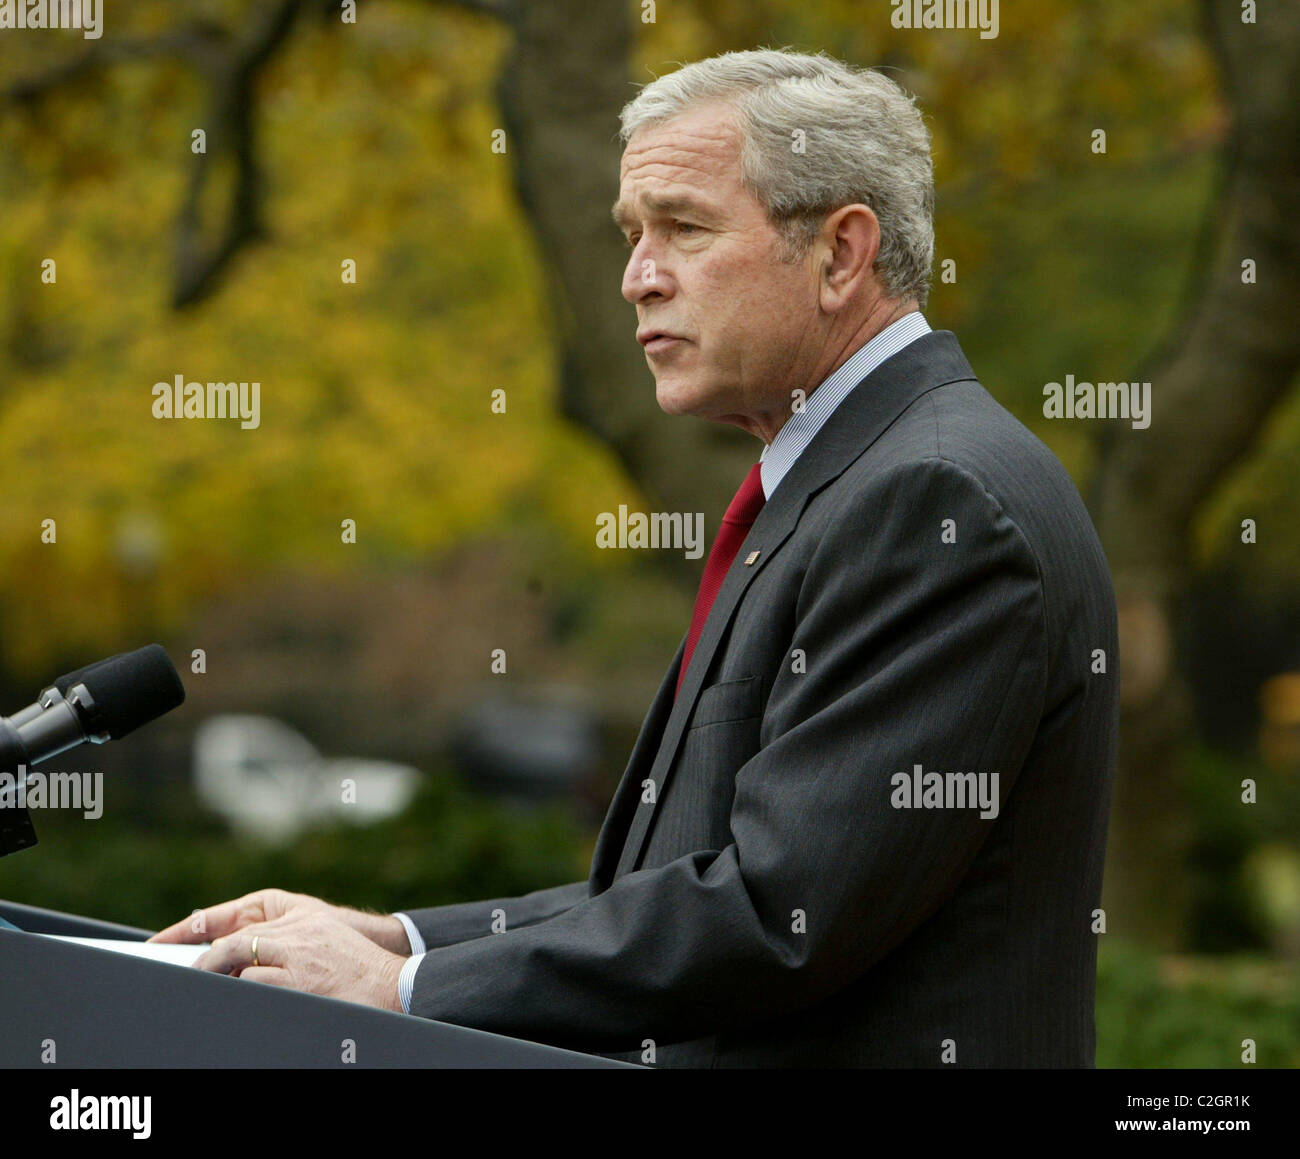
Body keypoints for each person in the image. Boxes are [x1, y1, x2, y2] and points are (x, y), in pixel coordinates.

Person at [153, 48, 1119, 1068]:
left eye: (683, 227)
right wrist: (396, 939)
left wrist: (398, 992)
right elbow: (690, 878)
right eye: (630, 234)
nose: (635, 277)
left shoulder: (933, 500)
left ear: (840, 254)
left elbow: (773, 910)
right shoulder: (860, 479)